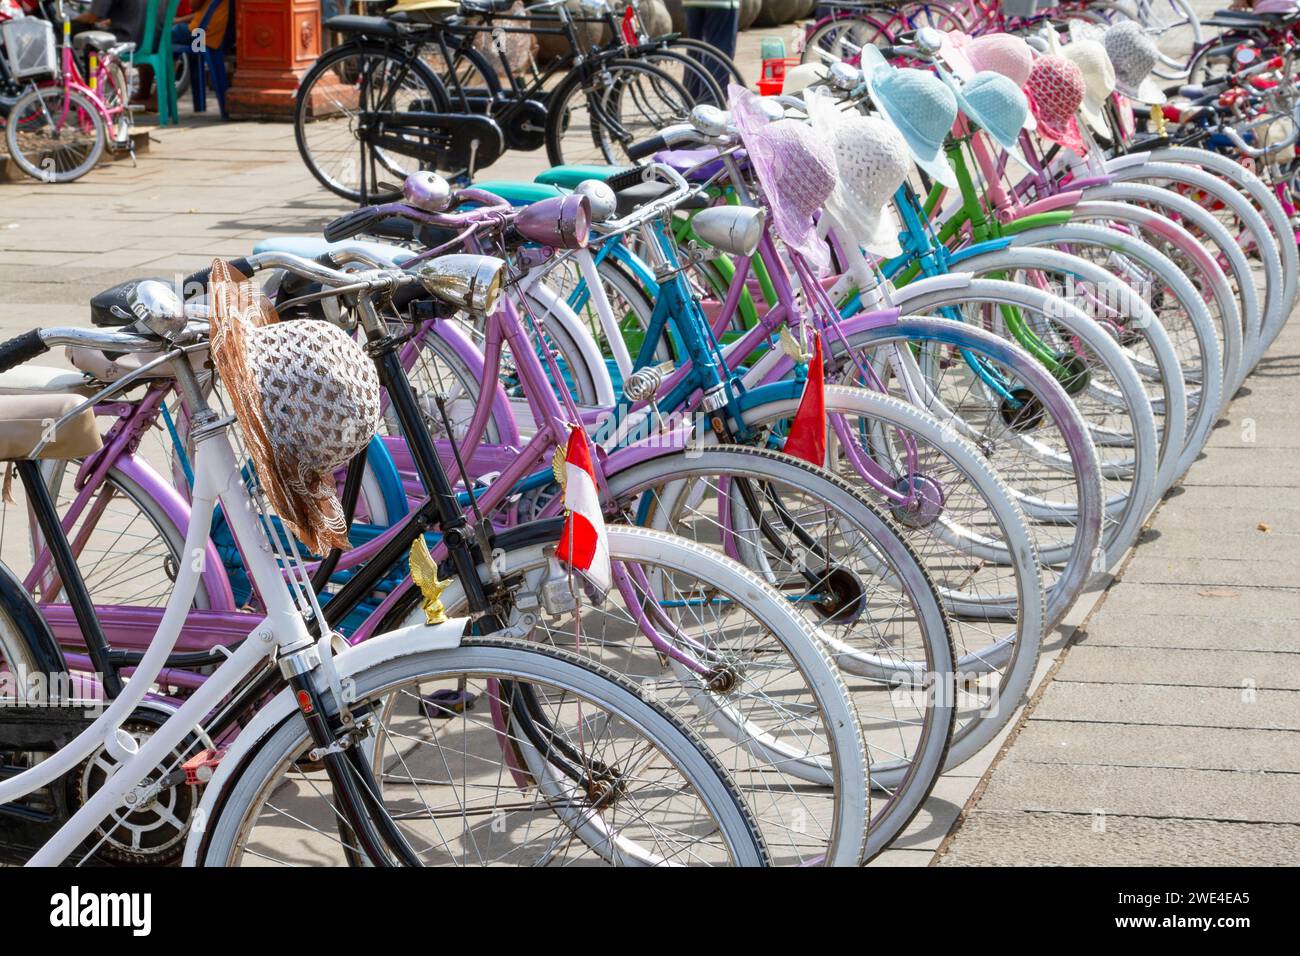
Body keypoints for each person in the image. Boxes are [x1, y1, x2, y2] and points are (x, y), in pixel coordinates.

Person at [682, 0, 738, 95]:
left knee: (694, 48)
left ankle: (689, 99)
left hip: (691, 2)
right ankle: (712, 100)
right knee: (719, 49)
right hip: (720, 4)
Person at [72, 0, 146, 43]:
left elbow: (94, 16)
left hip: (124, 41)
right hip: (147, 44)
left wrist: (71, 18)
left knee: (72, 27)